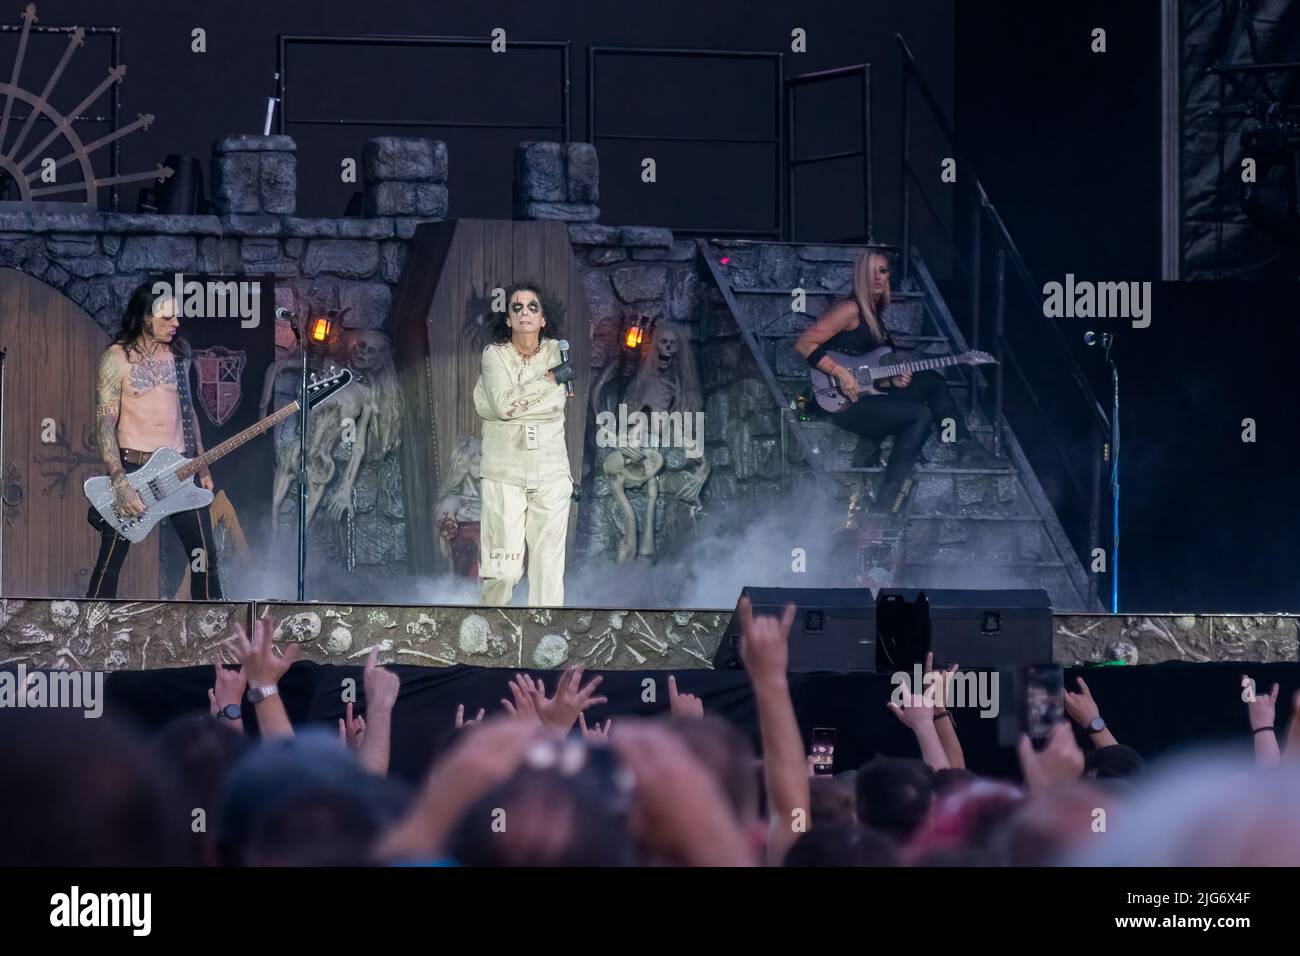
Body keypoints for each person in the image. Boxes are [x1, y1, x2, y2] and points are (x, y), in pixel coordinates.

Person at [793, 250, 994, 513]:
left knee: (932, 380)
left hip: (867, 395)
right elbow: (804, 343)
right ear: (860, 275)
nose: (878, 277)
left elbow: (870, 373)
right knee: (920, 415)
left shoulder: (875, 314)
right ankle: (886, 501)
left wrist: (893, 382)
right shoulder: (850, 309)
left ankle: (964, 445)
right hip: (841, 401)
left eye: (883, 271)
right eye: (871, 271)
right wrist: (842, 374)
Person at [87, 282, 222, 598]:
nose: (176, 323)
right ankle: (90, 634)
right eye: (166, 317)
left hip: (178, 470)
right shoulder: (115, 358)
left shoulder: (179, 354)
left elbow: (187, 411)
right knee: (110, 563)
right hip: (133, 471)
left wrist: (201, 465)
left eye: (177, 317)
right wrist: (119, 480)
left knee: (205, 559)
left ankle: (213, 634)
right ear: (144, 316)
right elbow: (105, 422)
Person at [473, 281, 575, 606]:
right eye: (517, 307)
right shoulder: (494, 355)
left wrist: (507, 405)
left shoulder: (556, 352)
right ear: (507, 319)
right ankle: (489, 642)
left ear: (544, 318)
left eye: (533, 307)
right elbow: (500, 406)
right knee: (501, 571)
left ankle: (544, 649)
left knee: (548, 575)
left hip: (551, 473)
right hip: (504, 474)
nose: (524, 312)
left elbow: (552, 407)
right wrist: (549, 380)